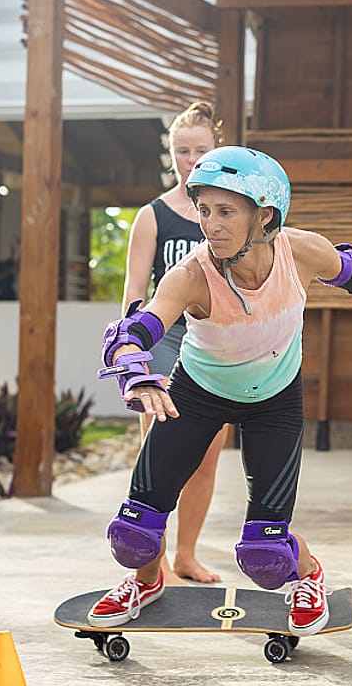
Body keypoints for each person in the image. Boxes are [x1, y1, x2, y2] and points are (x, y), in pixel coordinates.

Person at [89, 146, 352, 634]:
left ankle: (310, 574)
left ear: (265, 216)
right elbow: (138, 329)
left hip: (273, 402)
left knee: (265, 556)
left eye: (226, 211)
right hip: (197, 393)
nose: (209, 224)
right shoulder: (190, 275)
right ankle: (146, 582)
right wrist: (136, 369)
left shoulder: (301, 253)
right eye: (204, 210)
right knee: (134, 533)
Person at [119, 100, 228, 585]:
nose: (191, 160)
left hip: (213, 341)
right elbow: (134, 295)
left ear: (217, 149)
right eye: (182, 151)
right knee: (159, 452)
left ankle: (186, 554)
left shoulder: (231, 215)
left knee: (207, 453)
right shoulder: (153, 216)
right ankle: (152, 560)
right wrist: (132, 357)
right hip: (164, 338)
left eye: (200, 150)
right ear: (172, 154)